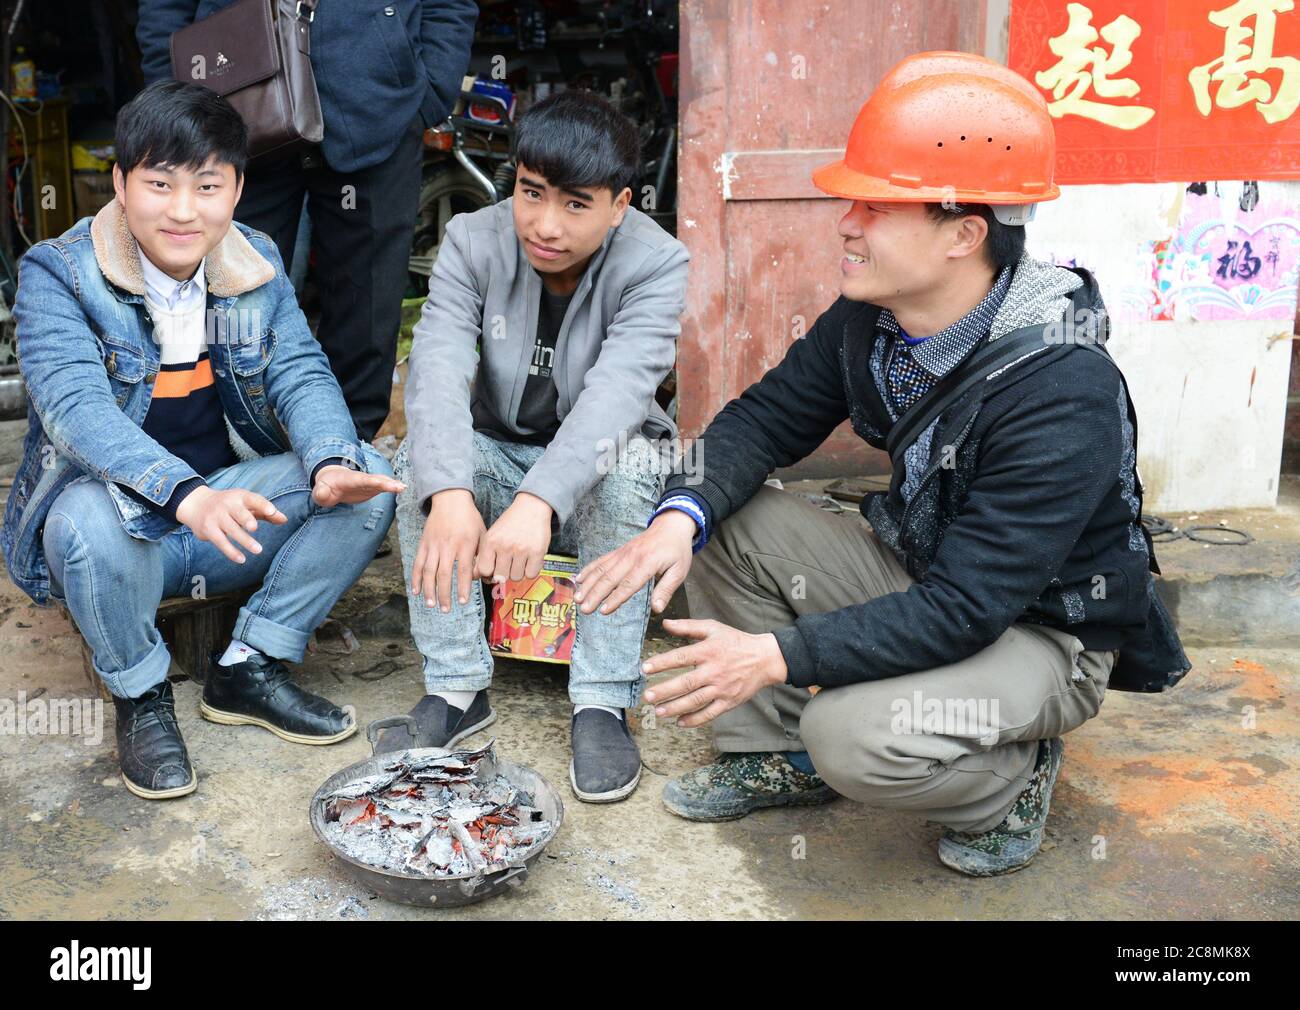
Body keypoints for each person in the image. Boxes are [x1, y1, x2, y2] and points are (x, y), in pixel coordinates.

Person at [574, 52, 1188, 873]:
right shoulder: (878, 317)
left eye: (877, 204)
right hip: (927, 568)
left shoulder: (1061, 386)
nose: (845, 222)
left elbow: (969, 606)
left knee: (851, 735)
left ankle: (1009, 774)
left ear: (964, 233)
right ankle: (777, 752)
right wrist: (675, 522)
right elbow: (762, 421)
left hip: (1039, 631)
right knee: (717, 513)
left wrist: (776, 656)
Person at [2, 82, 403, 800]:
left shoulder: (253, 262)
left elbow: (301, 373)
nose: (184, 211)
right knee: (90, 521)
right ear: (122, 184)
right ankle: (142, 696)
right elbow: (76, 410)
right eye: (159, 184)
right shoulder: (59, 274)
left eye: (207, 186)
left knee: (367, 478)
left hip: (222, 517)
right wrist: (182, 494)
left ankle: (249, 664)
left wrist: (330, 459)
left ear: (237, 188)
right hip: (120, 530)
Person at [379, 89, 690, 804]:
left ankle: (603, 699)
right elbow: (436, 367)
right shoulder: (472, 240)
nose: (545, 224)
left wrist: (538, 501)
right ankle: (457, 688)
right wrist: (452, 492)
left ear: (621, 203)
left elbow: (618, 397)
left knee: (632, 469)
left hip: (596, 466)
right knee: (415, 469)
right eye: (530, 193)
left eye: (576, 204)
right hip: (495, 448)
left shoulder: (657, 262)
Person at [137, 0, 479, 440]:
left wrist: (430, 92)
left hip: (376, 104)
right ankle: (217, 451)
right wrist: (176, 97)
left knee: (368, 298)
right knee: (221, 286)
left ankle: (345, 452)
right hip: (233, 100)